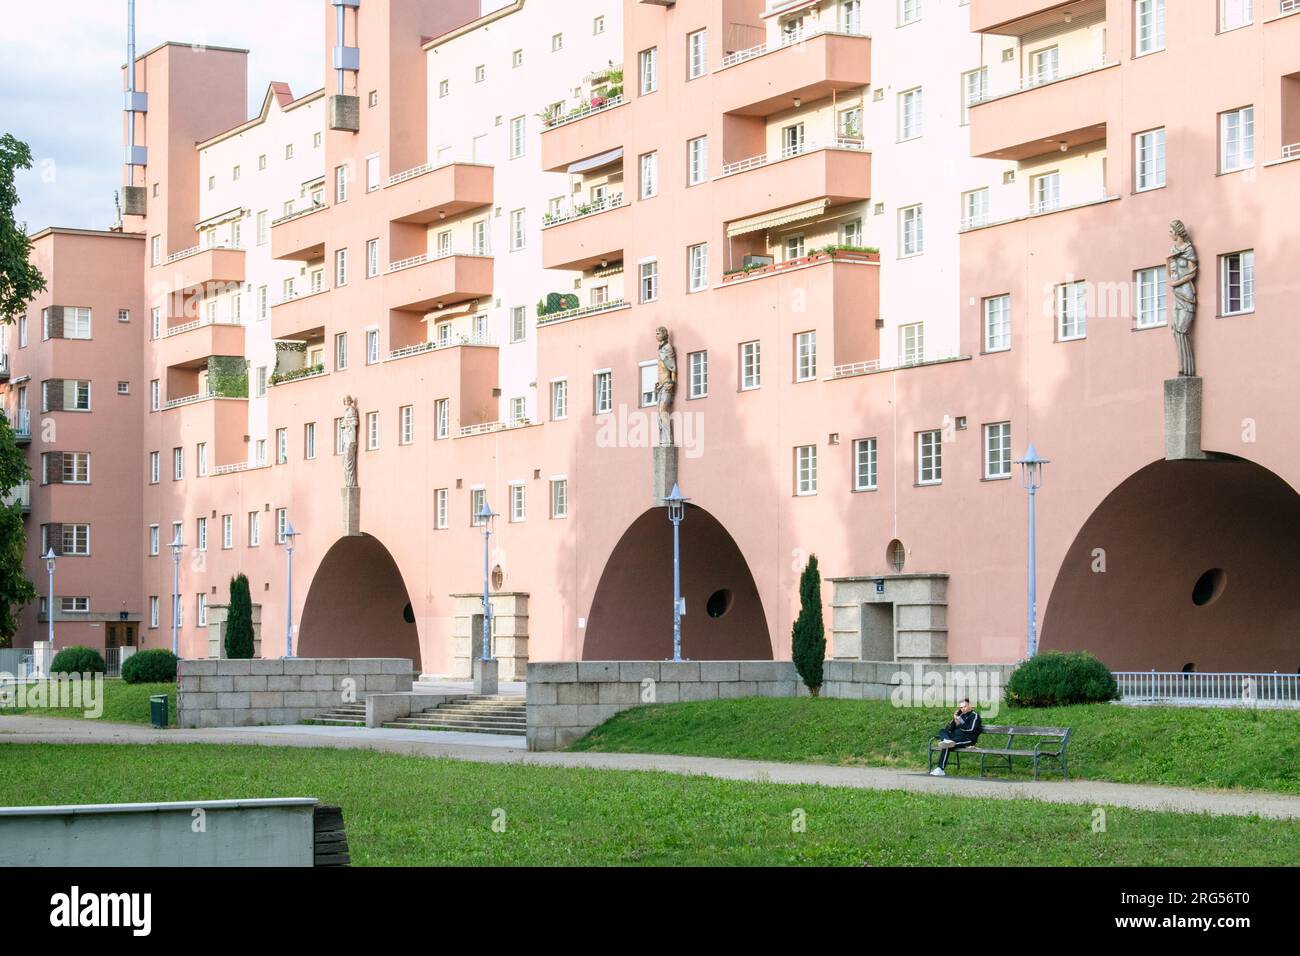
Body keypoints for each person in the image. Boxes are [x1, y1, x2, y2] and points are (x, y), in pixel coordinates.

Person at [930, 699, 981, 776]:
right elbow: (949, 729)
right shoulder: (960, 716)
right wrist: (955, 719)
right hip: (955, 738)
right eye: (961, 707)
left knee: (947, 745)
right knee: (942, 731)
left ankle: (940, 769)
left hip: (968, 739)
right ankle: (947, 740)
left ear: (970, 706)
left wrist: (959, 724)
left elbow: (971, 729)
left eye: (965, 706)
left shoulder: (975, 716)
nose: (963, 709)